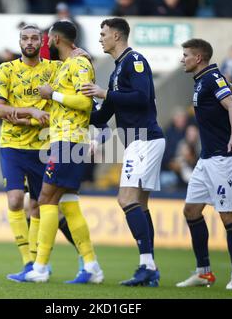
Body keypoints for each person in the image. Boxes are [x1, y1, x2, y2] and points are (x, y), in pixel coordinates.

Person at [0, 24, 84, 282]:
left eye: (34, 38)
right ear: (19, 41)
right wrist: (30, 113)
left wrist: (81, 53)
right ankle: (28, 262)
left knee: (40, 206)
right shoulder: (6, 69)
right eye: (25, 38)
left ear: (43, 41)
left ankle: (46, 264)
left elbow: (80, 64)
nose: (29, 42)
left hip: (44, 146)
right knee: (15, 201)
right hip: (13, 146)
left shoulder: (54, 68)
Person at [81, 18, 165, 287]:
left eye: (103, 34)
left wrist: (105, 94)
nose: (100, 38)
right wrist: (73, 104)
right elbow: (102, 115)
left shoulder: (134, 60)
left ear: (117, 36)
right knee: (140, 204)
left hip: (143, 138)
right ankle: (148, 267)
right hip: (137, 141)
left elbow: (141, 97)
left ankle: (147, 265)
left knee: (125, 199)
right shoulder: (118, 70)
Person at [24, 20, 104, 284]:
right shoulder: (70, 63)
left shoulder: (79, 64)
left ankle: (40, 267)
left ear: (56, 39)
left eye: (47, 38)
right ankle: (91, 266)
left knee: (45, 199)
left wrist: (53, 95)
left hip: (70, 141)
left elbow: (86, 102)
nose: (45, 42)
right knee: (69, 204)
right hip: (64, 139)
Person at [176, 38, 232, 289]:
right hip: (206, 159)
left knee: (227, 216)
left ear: (198, 58)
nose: (181, 58)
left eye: (185, 55)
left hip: (223, 159)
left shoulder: (211, 78)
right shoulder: (205, 79)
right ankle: (204, 272)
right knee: (191, 211)